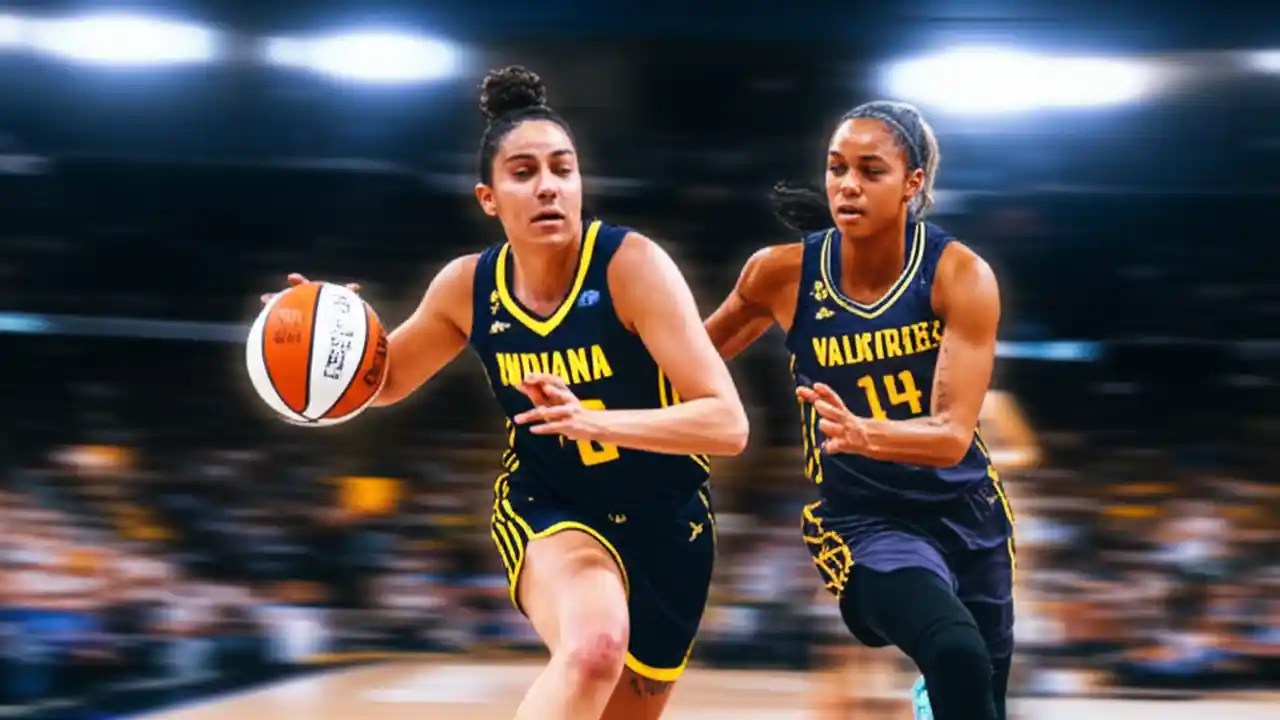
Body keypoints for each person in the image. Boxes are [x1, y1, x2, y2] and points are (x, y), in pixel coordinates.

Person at [266, 66, 748, 720]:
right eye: (523, 172)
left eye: (563, 168)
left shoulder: (632, 267)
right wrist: (331, 335)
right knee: (596, 646)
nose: (549, 185)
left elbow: (727, 424)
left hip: (671, 526)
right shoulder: (468, 287)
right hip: (553, 504)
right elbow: (382, 383)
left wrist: (595, 423)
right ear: (488, 197)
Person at [702, 100, 1015, 720]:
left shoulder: (960, 275)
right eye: (836, 167)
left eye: (871, 171)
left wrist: (865, 432)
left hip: (968, 515)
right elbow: (686, 360)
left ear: (912, 184)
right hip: (866, 521)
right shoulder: (780, 274)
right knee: (955, 652)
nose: (847, 184)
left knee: (979, 699)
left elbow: (953, 437)